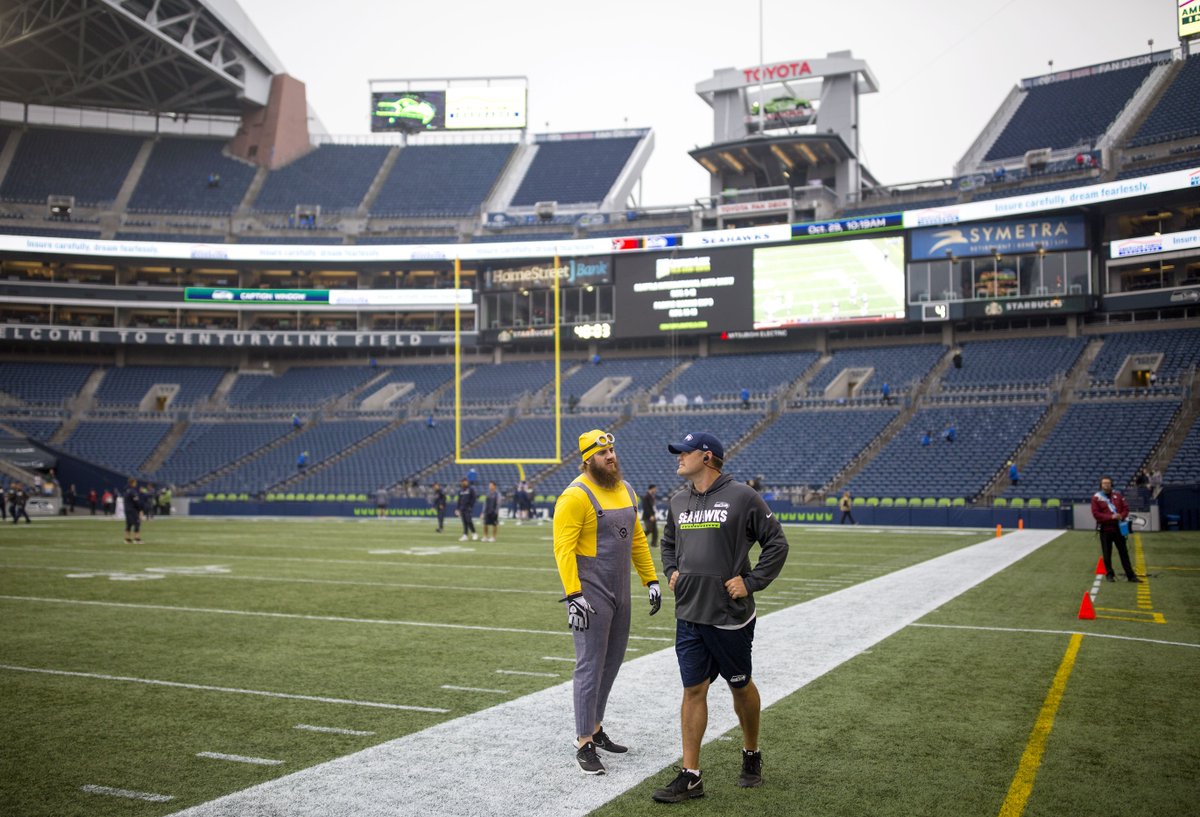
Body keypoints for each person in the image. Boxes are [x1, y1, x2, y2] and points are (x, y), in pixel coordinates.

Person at [653, 431, 789, 802]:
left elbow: (776, 542)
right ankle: (691, 774)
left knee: (739, 684)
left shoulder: (742, 496)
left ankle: (751, 753)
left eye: (685, 452)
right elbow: (667, 544)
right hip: (689, 612)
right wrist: (671, 571)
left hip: (730, 616)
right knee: (693, 689)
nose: (678, 457)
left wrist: (752, 581)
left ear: (708, 456)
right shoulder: (678, 501)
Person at [553, 429, 660, 775]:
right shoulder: (575, 496)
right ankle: (583, 740)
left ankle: (596, 728)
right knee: (589, 665)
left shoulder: (625, 489)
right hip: (591, 590)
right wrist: (573, 595)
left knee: (612, 662)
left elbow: (638, 539)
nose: (611, 457)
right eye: (603, 454)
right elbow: (563, 549)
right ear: (587, 460)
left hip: (621, 589)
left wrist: (651, 579)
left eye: (612, 450)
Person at [1090, 476, 1142, 583]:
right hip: (1105, 529)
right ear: (1101, 485)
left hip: (1119, 528)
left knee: (1124, 552)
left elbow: (1125, 509)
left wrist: (1121, 516)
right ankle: (1109, 575)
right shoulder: (1096, 498)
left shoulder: (1118, 496)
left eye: (1108, 483)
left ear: (1111, 484)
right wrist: (1111, 517)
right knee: (1107, 553)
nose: (1106, 485)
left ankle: (1130, 576)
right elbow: (1096, 514)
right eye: (1104, 483)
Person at [123, 477, 144, 544]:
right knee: (137, 523)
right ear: (132, 483)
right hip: (133, 510)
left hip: (127, 509)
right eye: (135, 482)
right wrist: (140, 509)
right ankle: (137, 539)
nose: (136, 484)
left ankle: (127, 539)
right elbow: (136, 502)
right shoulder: (133, 491)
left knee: (129, 524)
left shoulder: (126, 490)